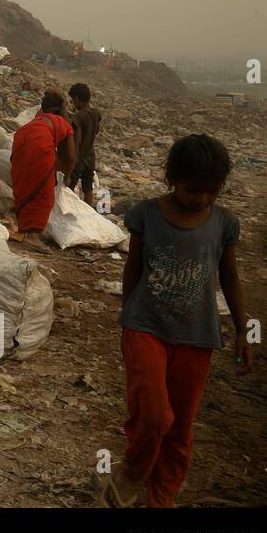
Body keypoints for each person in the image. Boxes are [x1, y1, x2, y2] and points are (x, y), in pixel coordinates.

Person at [99, 135, 251, 508]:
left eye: (211, 191)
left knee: (180, 427)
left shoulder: (224, 223)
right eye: (192, 189)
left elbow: (229, 277)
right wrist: (126, 322)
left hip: (196, 336)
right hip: (146, 327)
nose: (201, 199)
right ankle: (132, 473)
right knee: (153, 415)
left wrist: (244, 330)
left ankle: (162, 495)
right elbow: (134, 267)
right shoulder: (146, 215)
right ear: (170, 179)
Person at [9, 89, 75, 239]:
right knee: (43, 194)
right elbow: (70, 156)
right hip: (39, 147)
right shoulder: (62, 123)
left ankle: (24, 229)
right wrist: (68, 176)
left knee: (25, 186)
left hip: (21, 138)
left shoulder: (38, 120)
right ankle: (33, 236)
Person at [69, 82, 103, 208]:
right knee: (87, 184)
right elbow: (97, 130)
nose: (73, 103)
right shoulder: (95, 113)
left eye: (73, 100)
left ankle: (69, 207)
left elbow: (77, 138)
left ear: (77, 99)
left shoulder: (79, 116)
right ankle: (88, 210)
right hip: (90, 155)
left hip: (80, 157)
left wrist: (73, 157)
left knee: (70, 184)